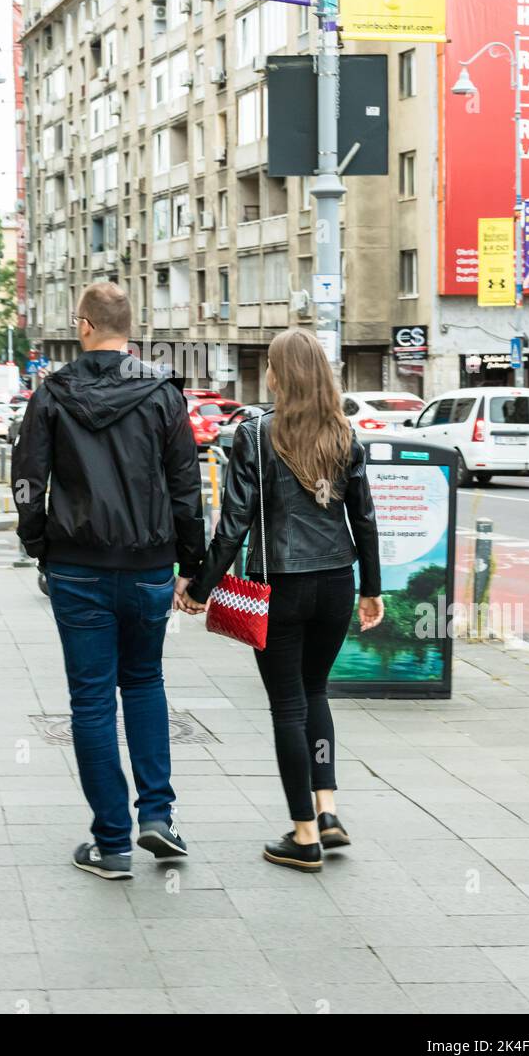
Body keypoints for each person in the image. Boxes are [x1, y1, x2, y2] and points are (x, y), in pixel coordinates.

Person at [12, 282, 204, 880]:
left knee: (91, 701)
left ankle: (112, 844)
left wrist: (41, 546)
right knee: (145, 682)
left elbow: (27, 481)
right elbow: (185, 486)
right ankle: (158, 816)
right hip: (148, 568)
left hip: (77, 568)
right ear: (131, 326)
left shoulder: (52, 395)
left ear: (85, 325)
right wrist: (191, 565)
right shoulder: (163, 394)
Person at [179, 328, 383, 872]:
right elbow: (363, 517)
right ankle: (328, 808)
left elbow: (236, 522)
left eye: (270, 364)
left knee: (287, 706)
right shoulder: (345, 434)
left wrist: (200, 586)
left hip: (281, 585)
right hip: (337, 582)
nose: (266, 372)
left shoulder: (256, 433)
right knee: (315, 692)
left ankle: (303, 835)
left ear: (280, 374)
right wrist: (371, 589)